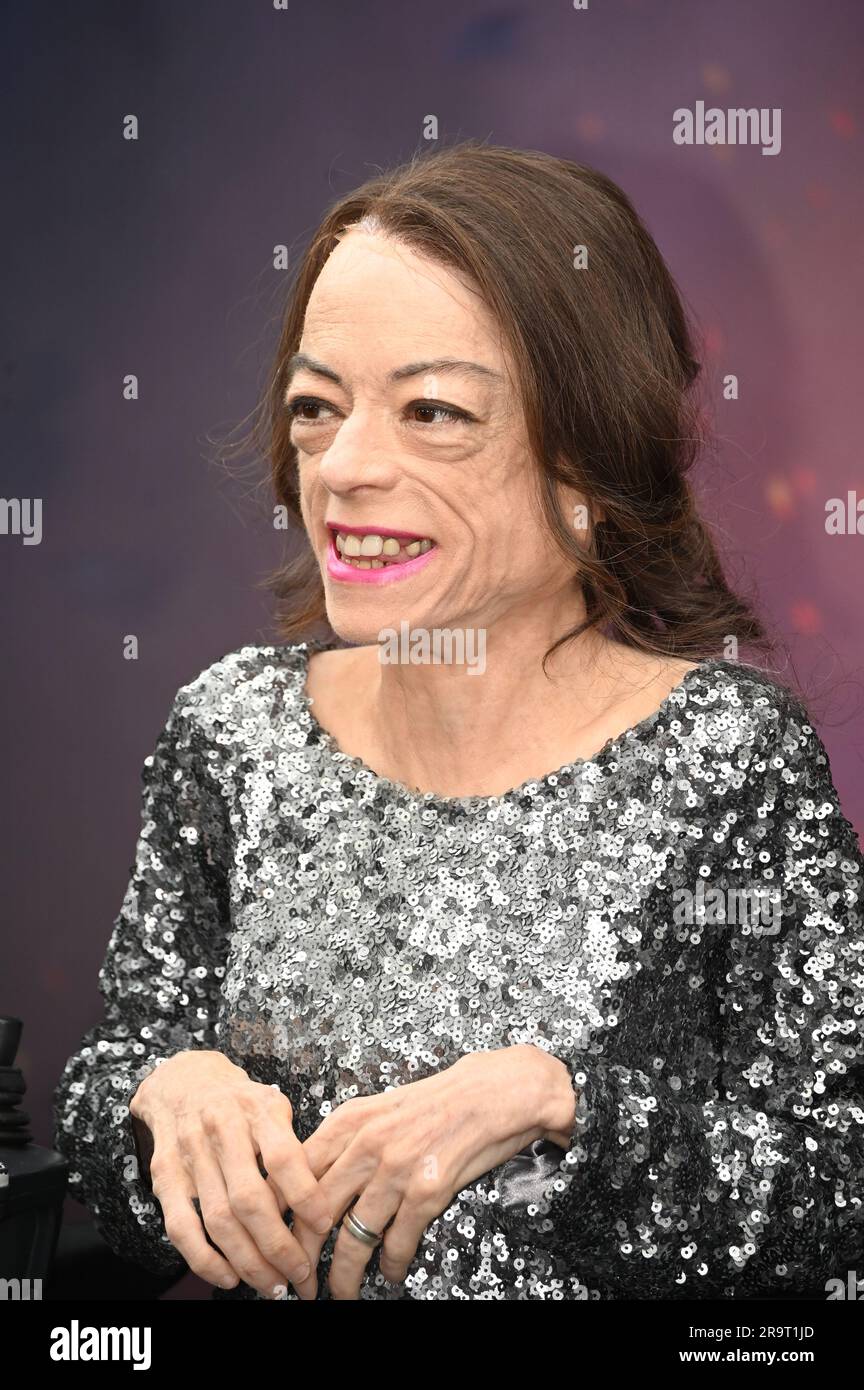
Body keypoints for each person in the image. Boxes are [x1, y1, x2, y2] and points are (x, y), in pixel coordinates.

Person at [54, 142, 864, 1301]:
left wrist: (561, 1103)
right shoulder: (231, 730)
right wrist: (162, 1100)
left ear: (586, 459)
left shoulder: (730, 762)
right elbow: (102, 1100)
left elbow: (836, 1196)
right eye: (316, 408)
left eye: (432, 410)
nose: (342, 467)